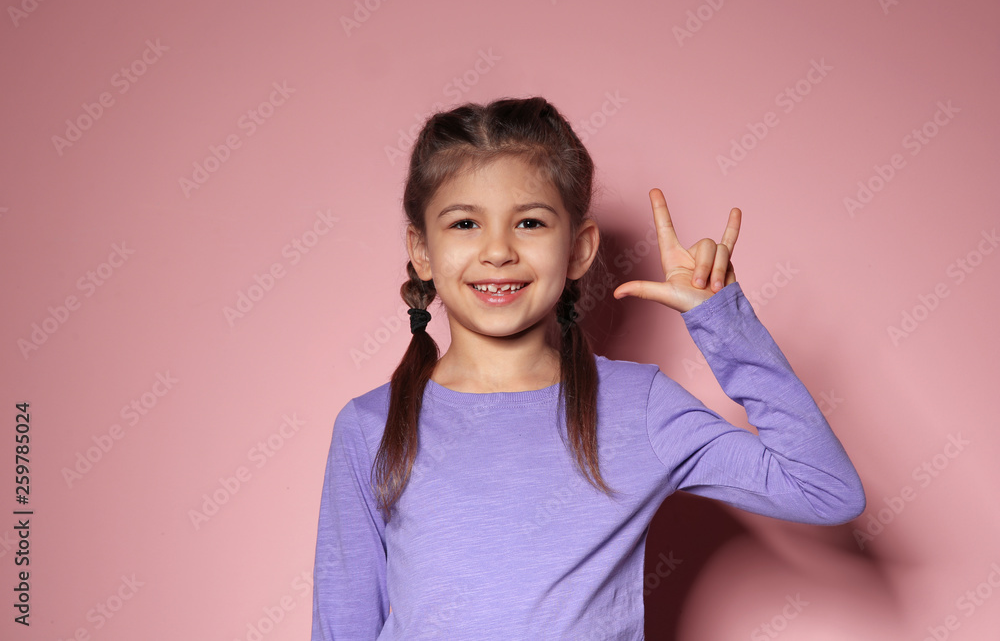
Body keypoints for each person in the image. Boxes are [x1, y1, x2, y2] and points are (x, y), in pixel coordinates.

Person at [310, 96, 865, 640]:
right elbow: (342, 627)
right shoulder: (369, 427)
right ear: (422, 250)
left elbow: (823, 489)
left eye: (529, 223)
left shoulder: (638, 406)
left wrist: (722, 323)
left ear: (579, 250)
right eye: (464, 224)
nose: (498, 250)